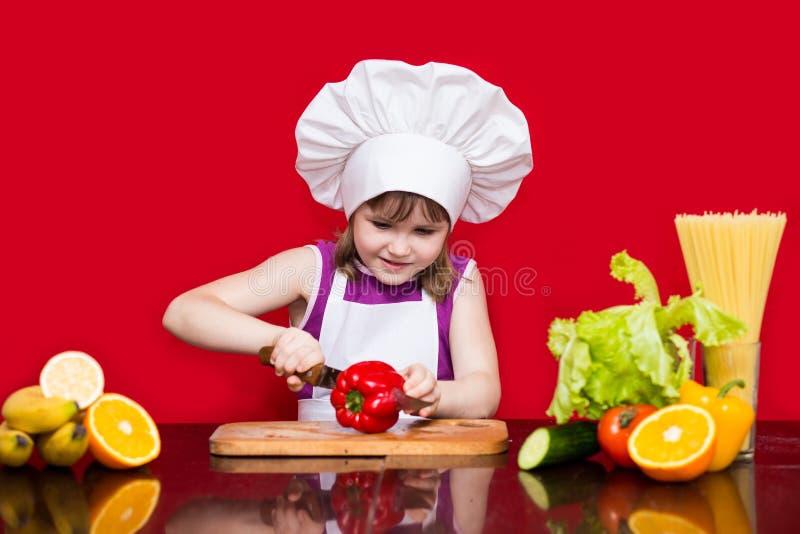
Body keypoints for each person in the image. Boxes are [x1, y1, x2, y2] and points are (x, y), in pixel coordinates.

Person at [163, 59, 533, 421]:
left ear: (448, 230)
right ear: (352, 213)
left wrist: (437, 394)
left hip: (428, 476)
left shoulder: (459, 280)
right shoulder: (309, 270)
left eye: (424, 232)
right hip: (320, 476)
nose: (400, 248)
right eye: (382, 225)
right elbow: (184, 312)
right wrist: (279, 341)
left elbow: (484, 392)